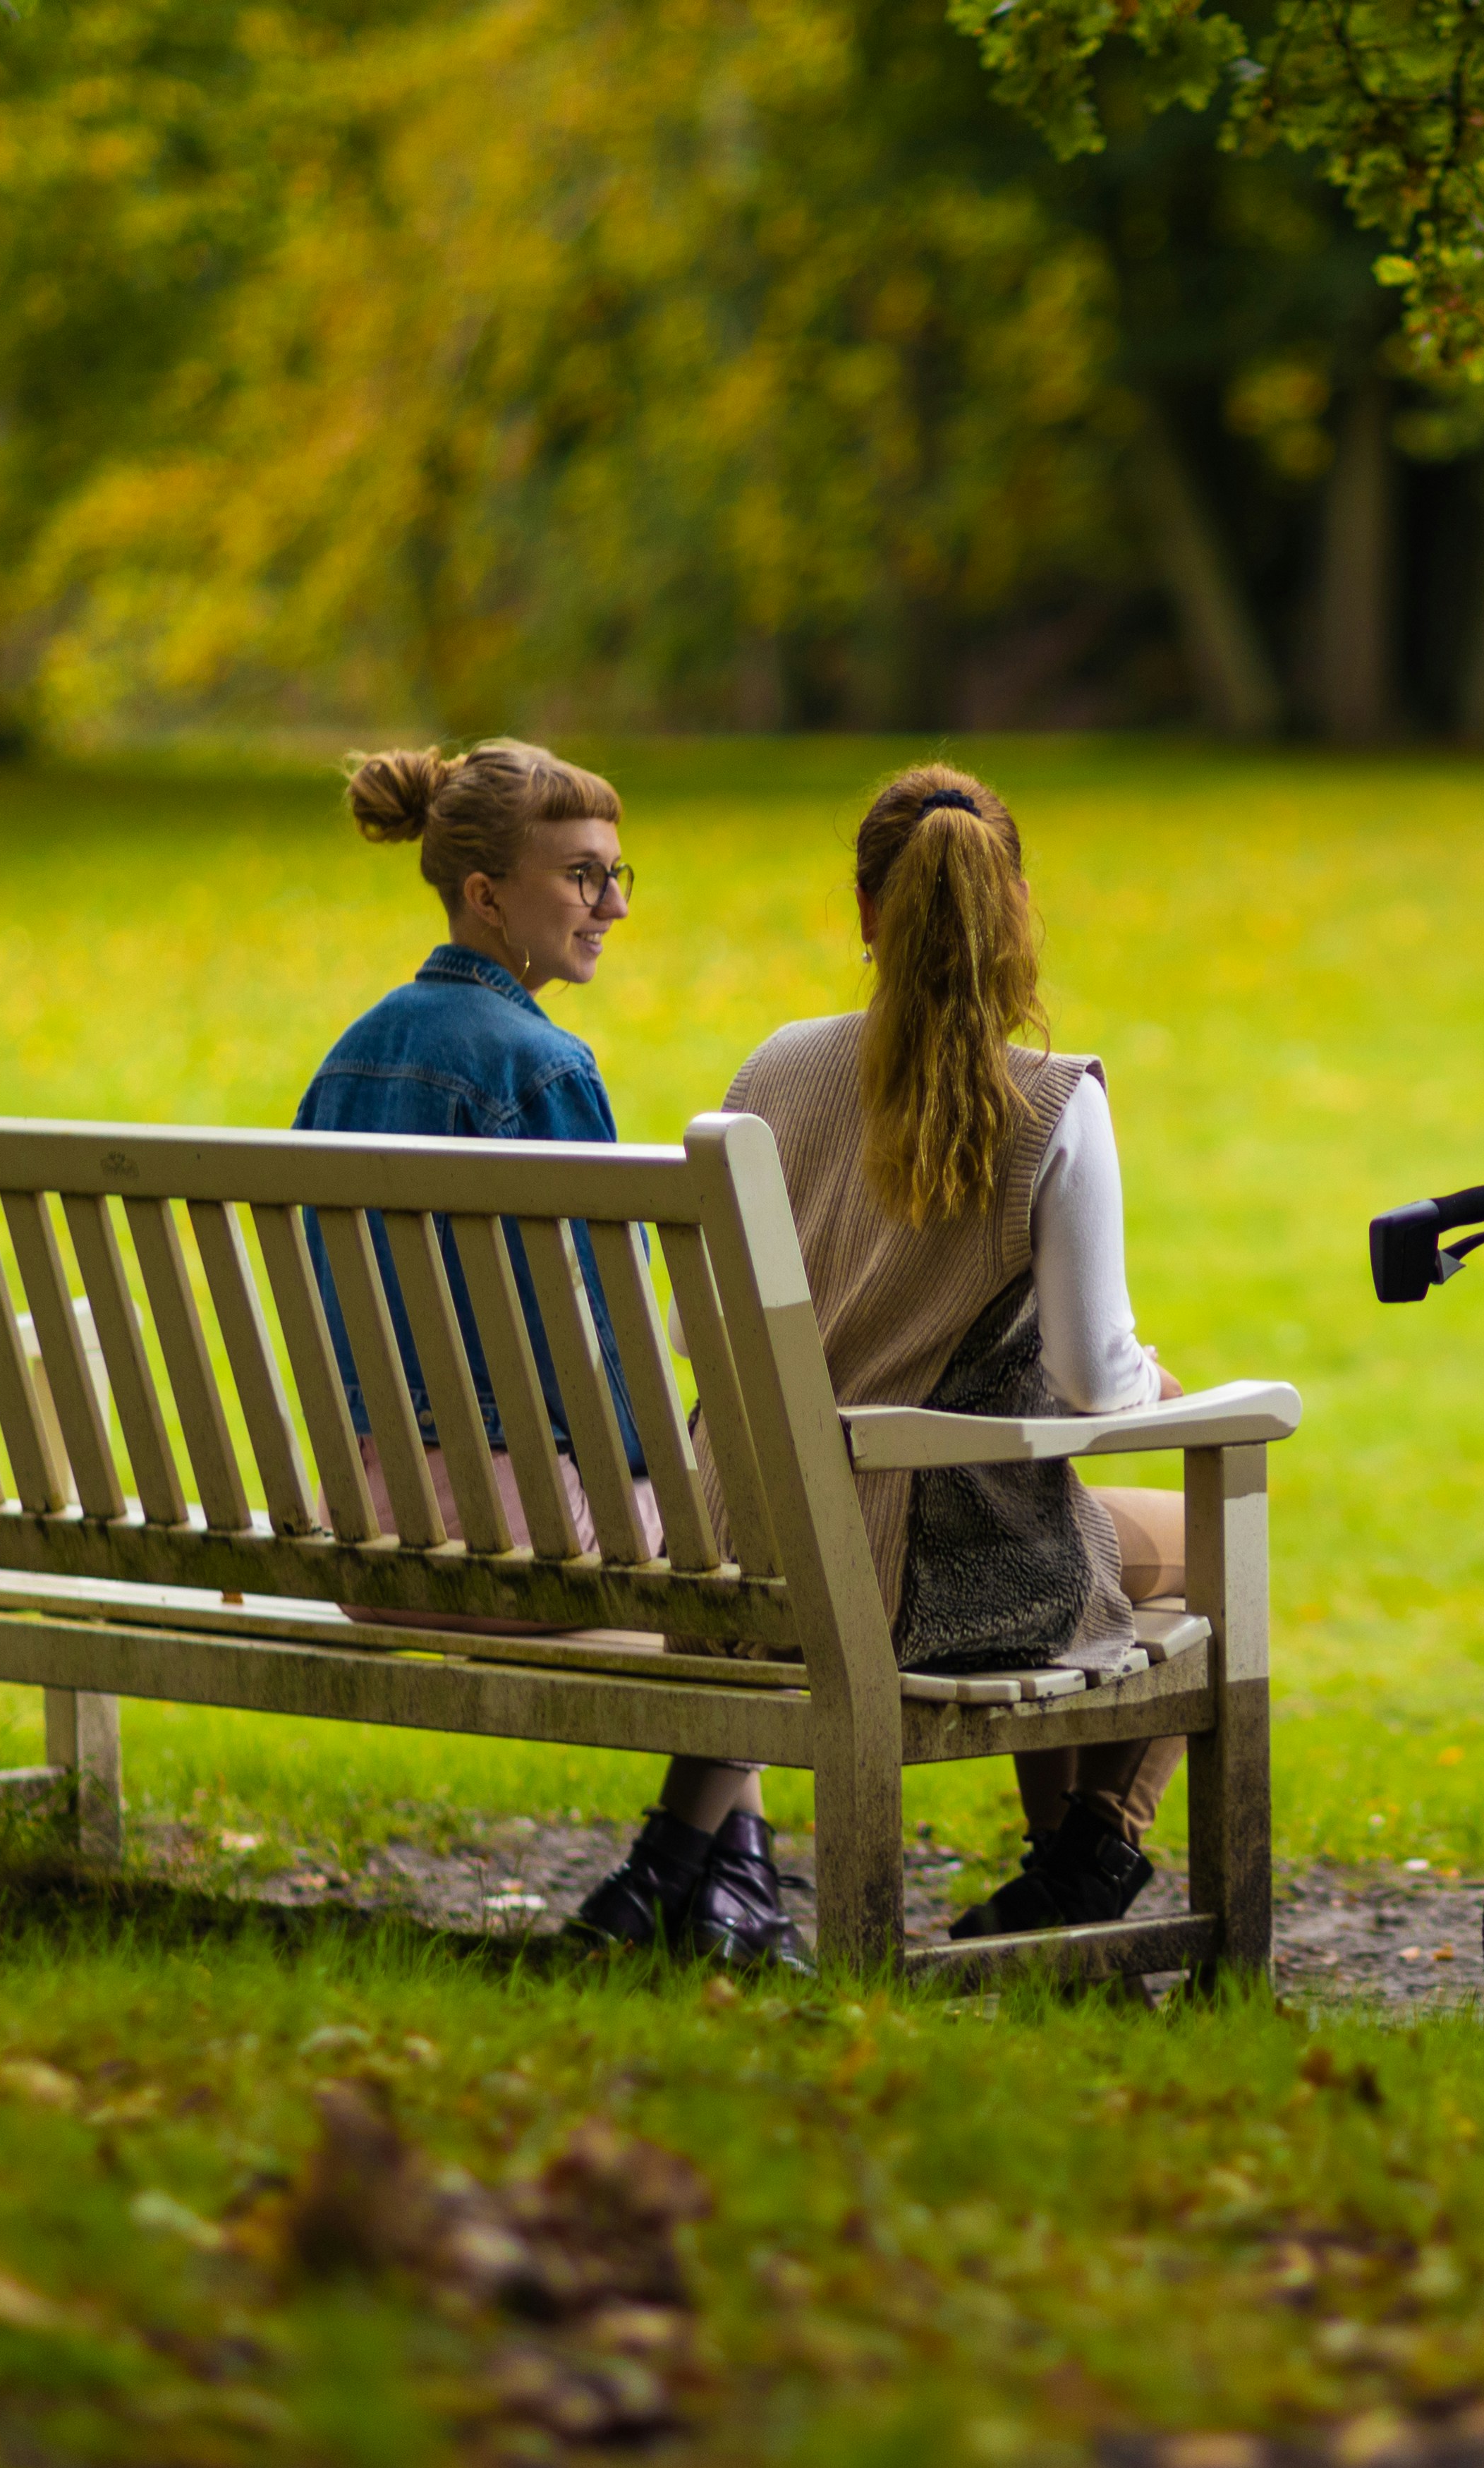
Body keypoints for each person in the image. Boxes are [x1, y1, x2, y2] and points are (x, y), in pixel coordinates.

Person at [298, 739, 798, 1966]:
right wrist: (683, 1465)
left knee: (748, 1517)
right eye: (582, 877)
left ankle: (730, 1882)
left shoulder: (347, 1059)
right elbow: (608, 1357)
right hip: (514, 1540)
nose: (614, 905)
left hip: (365, 1535)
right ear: (487, 897)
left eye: (618, 873)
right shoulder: (542, 1068)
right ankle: (681, 1866)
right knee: (794, 1537)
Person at [712, 763, 1188, 1939]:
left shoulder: (774, 1067)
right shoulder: (1047, 1100)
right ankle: (1096, 1851)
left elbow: (697, 1327)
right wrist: (1162, 1386)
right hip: (909, 1577)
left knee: (1065, 1518)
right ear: (1012, 905)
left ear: (868, 913)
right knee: (1200, 1539)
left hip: (738, 1544)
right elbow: (1091, 1378)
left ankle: (1063, 1873)